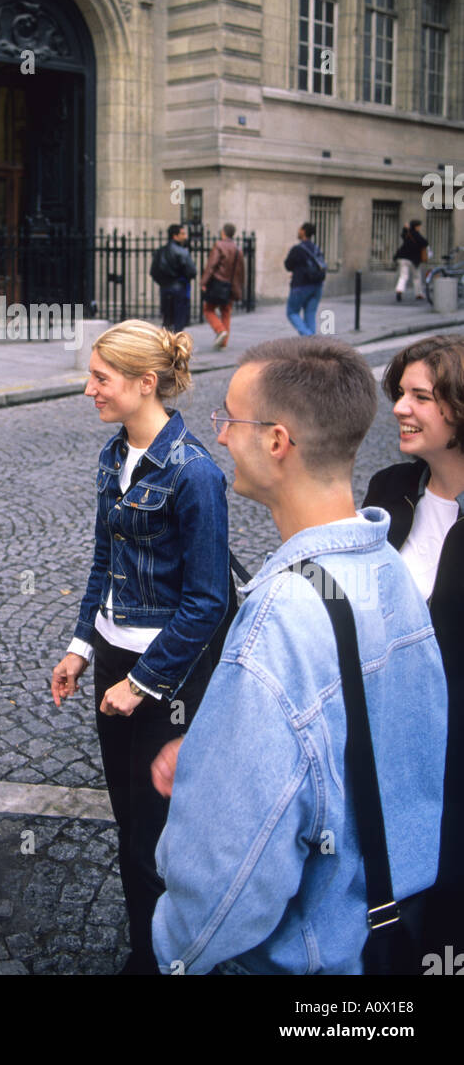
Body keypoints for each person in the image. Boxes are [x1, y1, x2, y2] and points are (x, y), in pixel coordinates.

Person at [151, 337, 447, 974]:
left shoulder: (278, 619)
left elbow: (228, 886)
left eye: (229, 418)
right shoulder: (390, 569)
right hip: (377, 937)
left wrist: (173, 951)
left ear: (277, 440)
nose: (221, 437)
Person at [50, 320, 230, 976]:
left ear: (144, 383)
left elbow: (208, 600)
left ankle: (164, 960)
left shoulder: (194, 474)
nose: (89, 388)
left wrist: (145, 682)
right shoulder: (113, 454)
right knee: (129, 824)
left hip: (167, 679)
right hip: (112, 661)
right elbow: (103, 560)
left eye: (101, 378)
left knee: (158, 837)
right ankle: (143, 952)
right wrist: (79, 646)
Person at [363, 334, 464, 960]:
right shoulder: (390, 487)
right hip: (386, 739)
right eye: (400, 393)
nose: (400, 407)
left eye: (421, 397)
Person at [200, 223, 244, 350]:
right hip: (230, 286)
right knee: (226, 312)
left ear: (223, 232)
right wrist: (238, 288)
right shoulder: (238, 249)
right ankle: (223, 343)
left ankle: (220, 330)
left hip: (217, 283)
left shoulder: (219, 245)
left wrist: (204, 282)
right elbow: (241, 271)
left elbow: (211, 266)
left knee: (208, 309)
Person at [150, 224, 196, 332]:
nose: (185, 236)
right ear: (175, 236)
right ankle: (177, 344)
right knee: (179, 322)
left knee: (167, 320)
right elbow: (192, 271)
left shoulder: (160, 251)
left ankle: (167, 344)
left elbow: (153, 272)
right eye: (182, 234)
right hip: (180, 289)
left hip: (165, 288)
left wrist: (163, 282)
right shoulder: (182, 252)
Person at [283, 221, 325, 336]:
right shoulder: (316, 249)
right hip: (317, 286)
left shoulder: (297, 249)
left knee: (291, 312)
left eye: (300, 229)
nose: (298, 231)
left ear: (303, 231)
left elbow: (288, 265)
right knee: (310, 313)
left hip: (301, 286)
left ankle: (309, 337)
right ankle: (311, 345)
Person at [394, 219, 429, 302]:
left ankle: (399, 290)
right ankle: (418, 294)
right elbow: (425, 243)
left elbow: (403, 235)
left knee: (403, 276)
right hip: (413, 260)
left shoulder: (407, 233)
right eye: (419, 226)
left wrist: (405, 228)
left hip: (402, 258)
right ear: (416, 226)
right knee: (416, 277)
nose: (419, 227)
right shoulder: (416, 234)